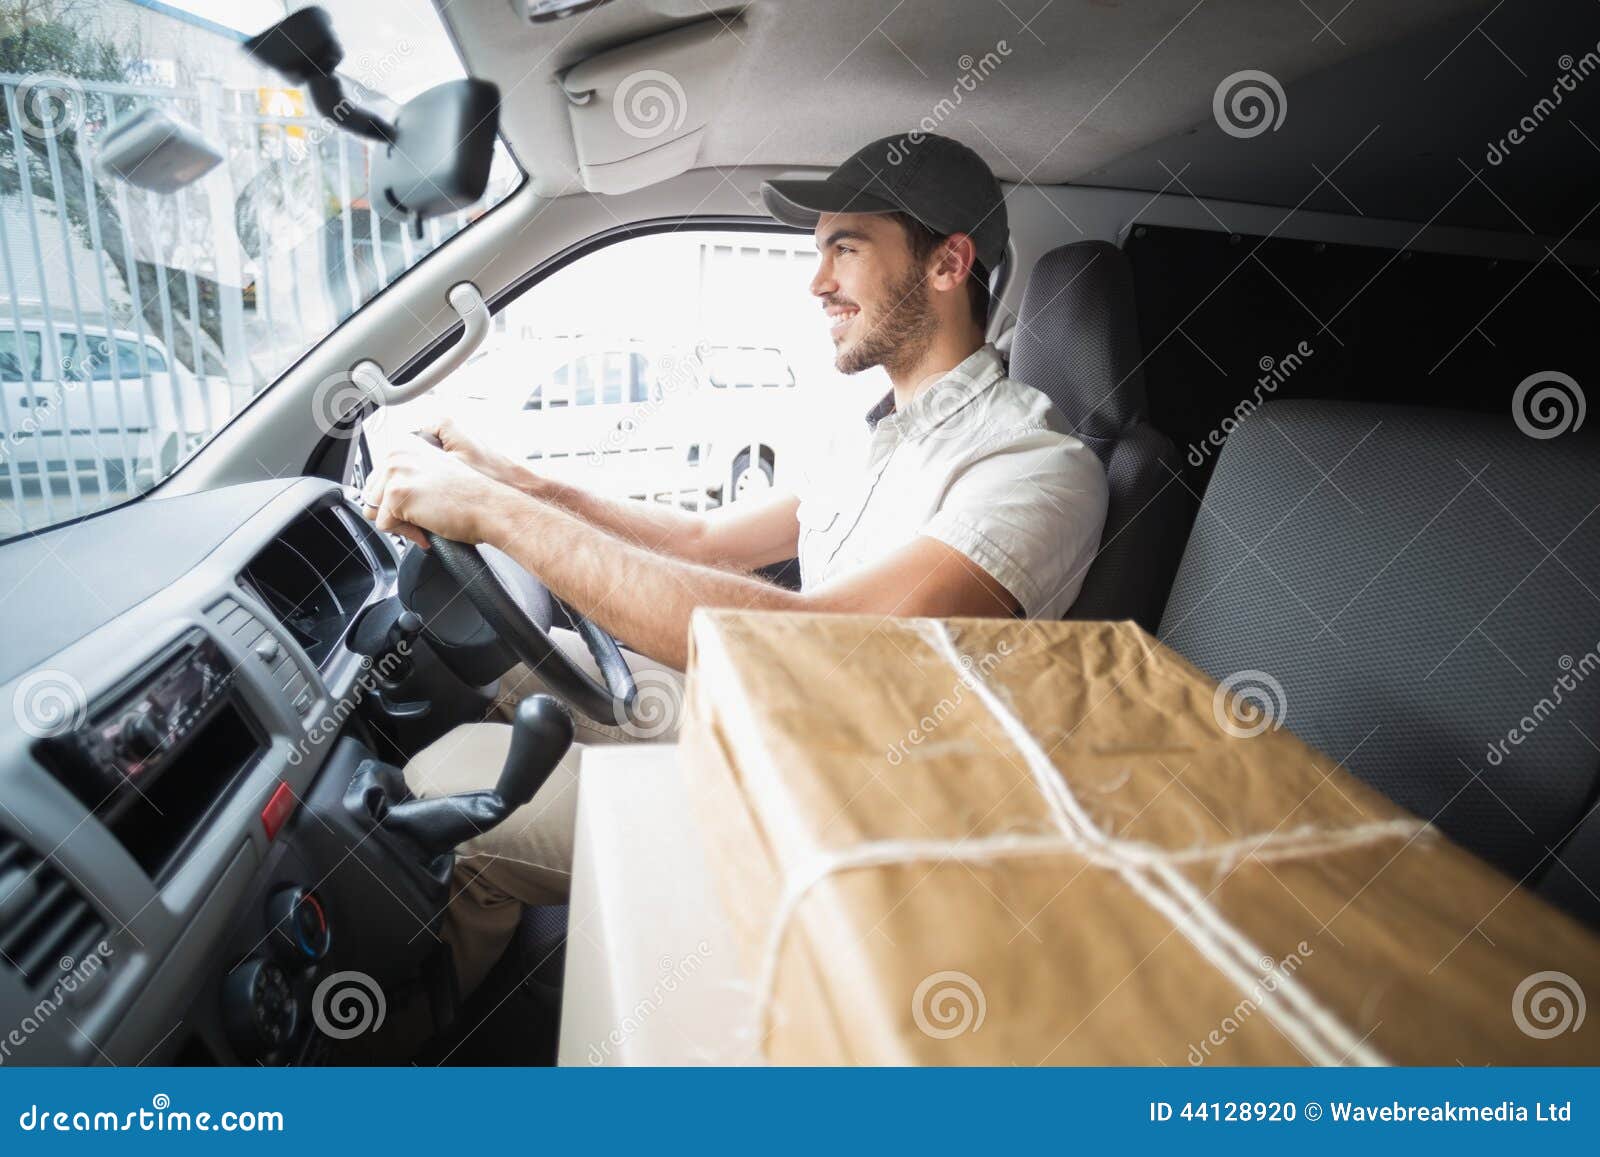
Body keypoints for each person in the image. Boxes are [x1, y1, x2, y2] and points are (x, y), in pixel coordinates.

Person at [361, 132, 1110, 994]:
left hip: (845, 819)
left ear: (948, 263)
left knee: (445, 789)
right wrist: (509, 479)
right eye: (818, 251)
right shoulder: (873, 433)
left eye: (846, 249)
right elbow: (706, 543)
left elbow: (821, 642)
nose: (818, 280)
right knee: (517, 672)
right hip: (774, 732)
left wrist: (494, 514)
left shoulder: (1034, 466)